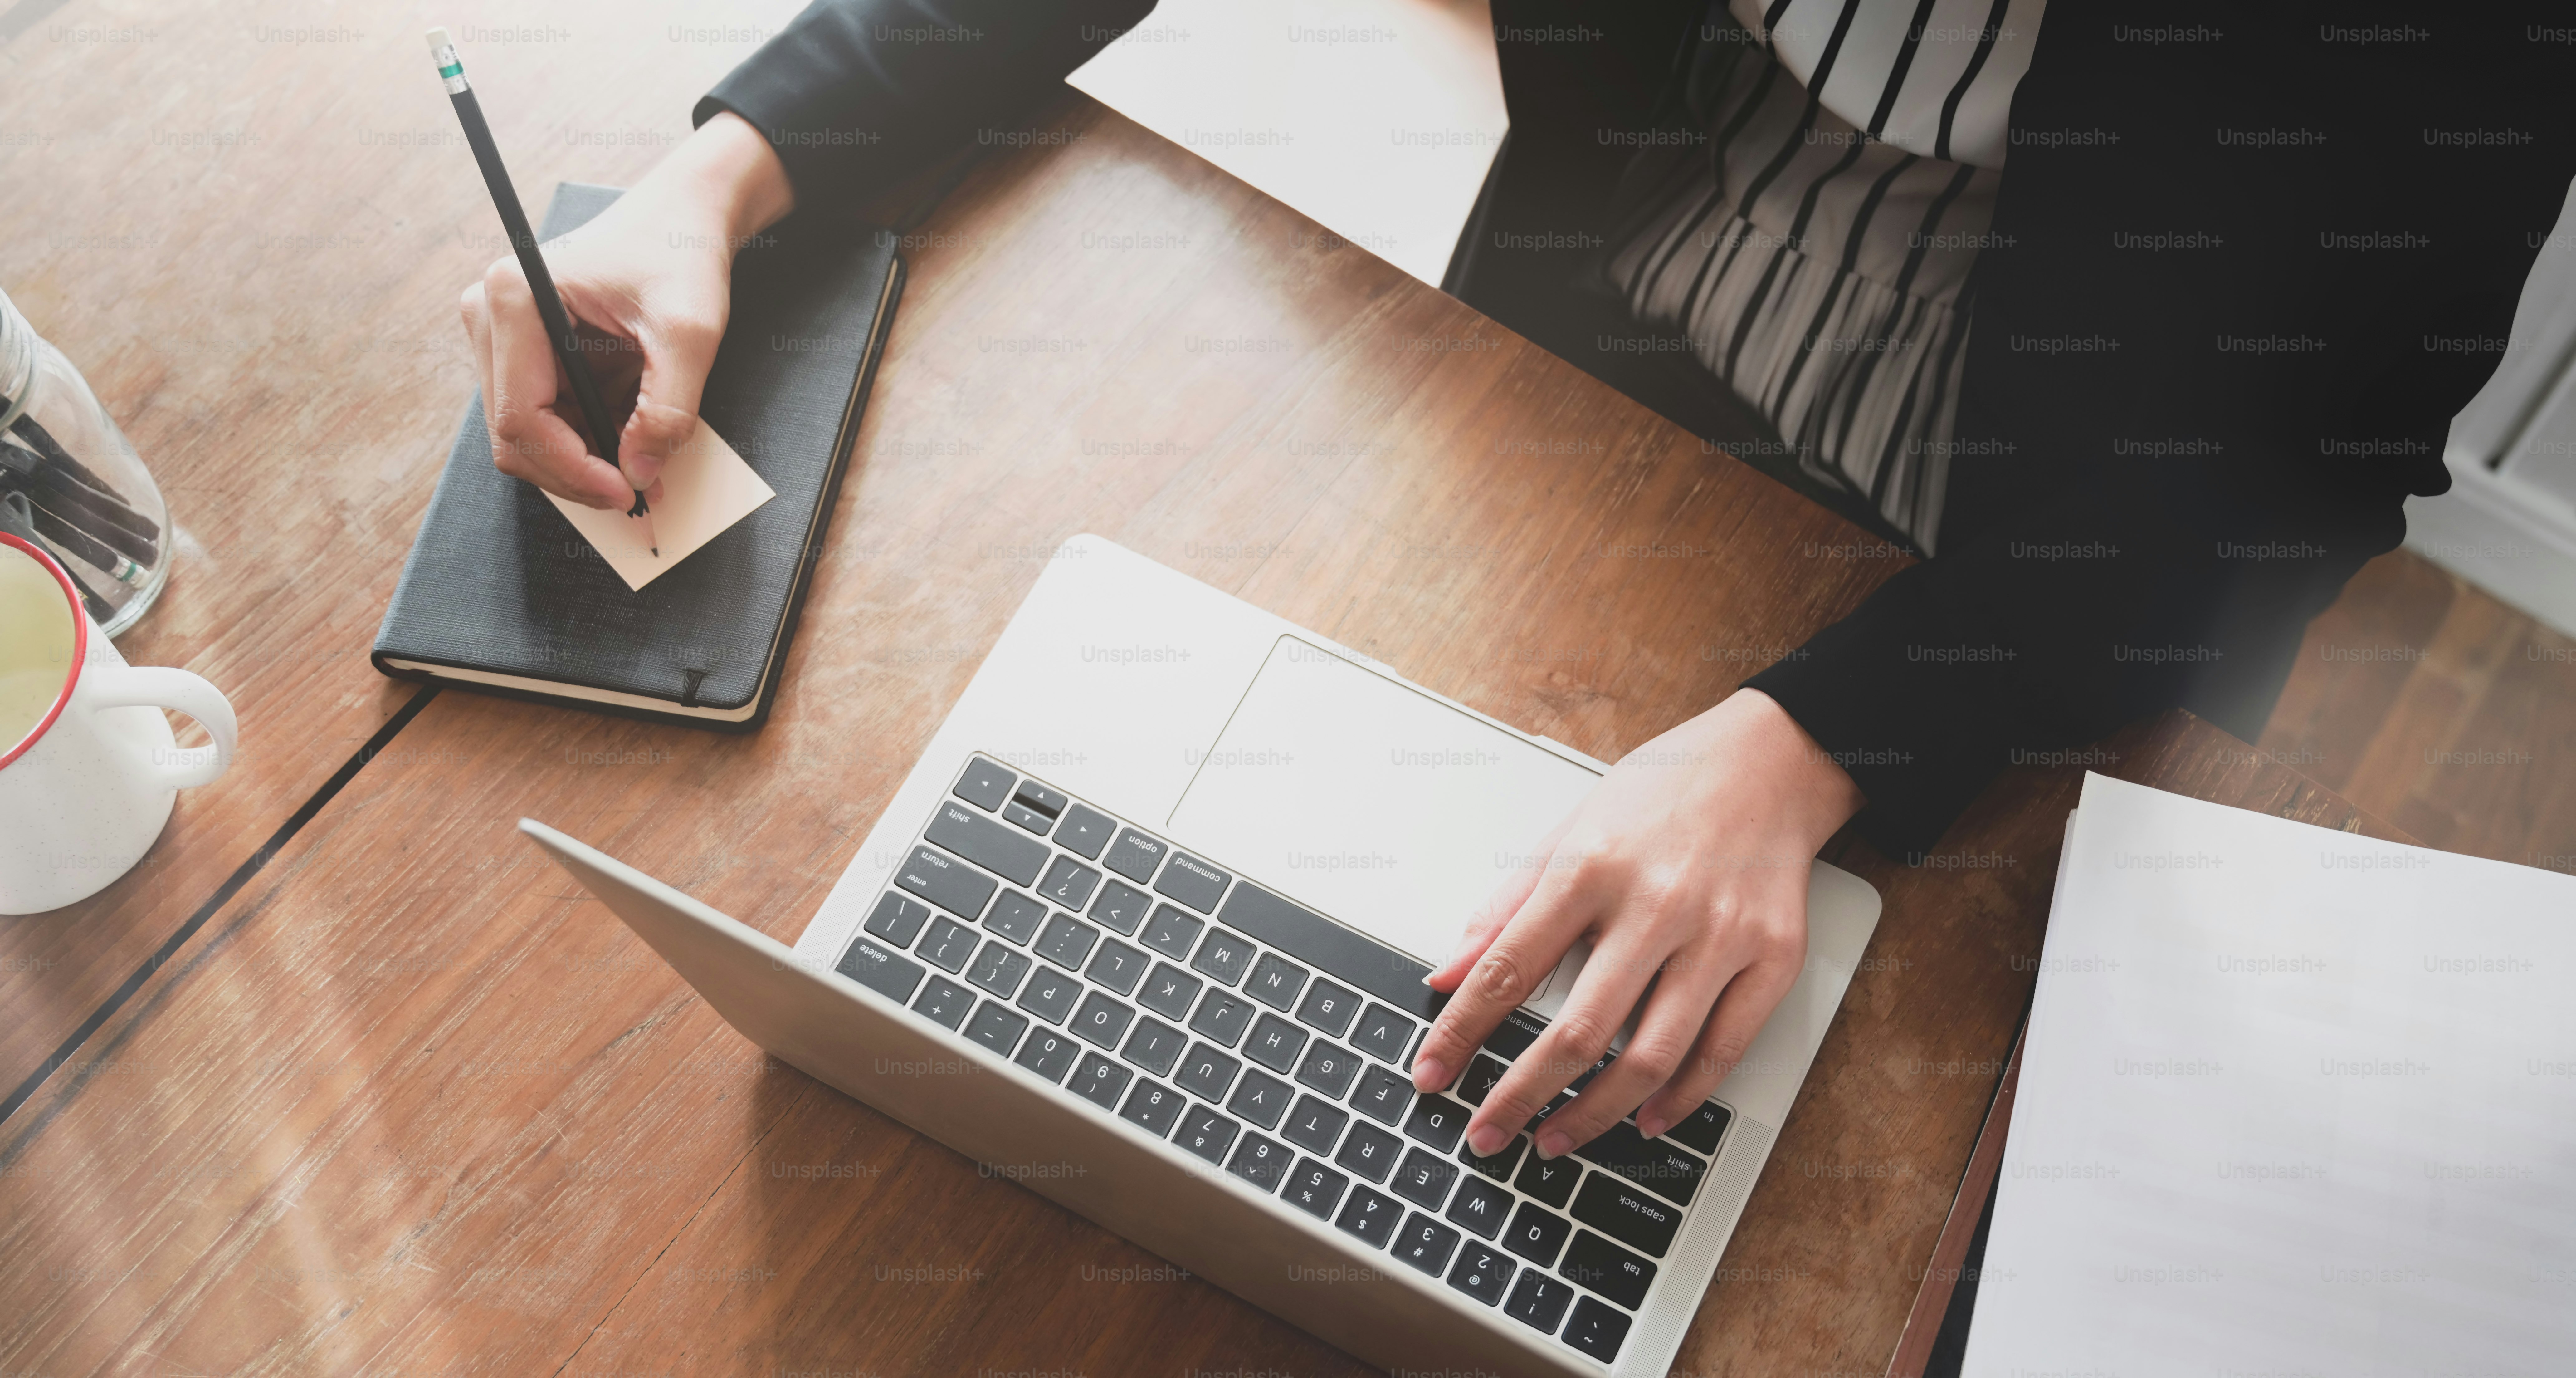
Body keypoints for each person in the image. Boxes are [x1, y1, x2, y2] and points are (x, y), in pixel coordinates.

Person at [458, 0, 2576, 1165]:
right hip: (1586, 350)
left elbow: (2307, 475)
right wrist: (722, 173)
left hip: (2022, 586)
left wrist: (1833, 736)